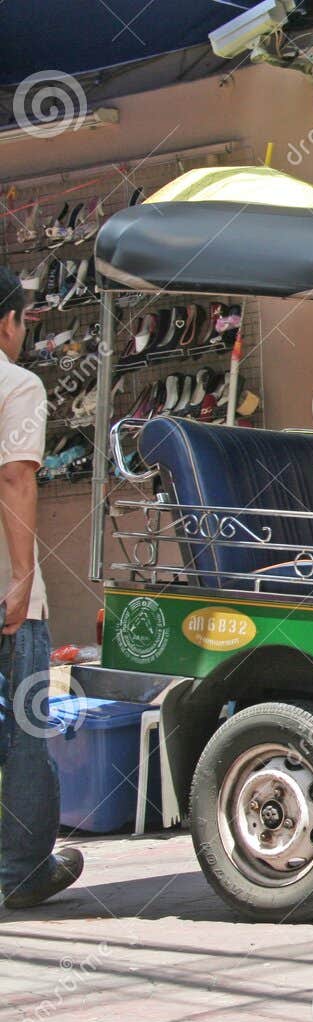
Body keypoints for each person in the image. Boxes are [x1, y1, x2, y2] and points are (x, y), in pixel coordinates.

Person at [0, 267, 82, 909]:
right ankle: (22, 869)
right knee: (27, 728)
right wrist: (23, 577)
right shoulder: (16, 383)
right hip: (7, 593)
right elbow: (15, 480)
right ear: (9, 321)